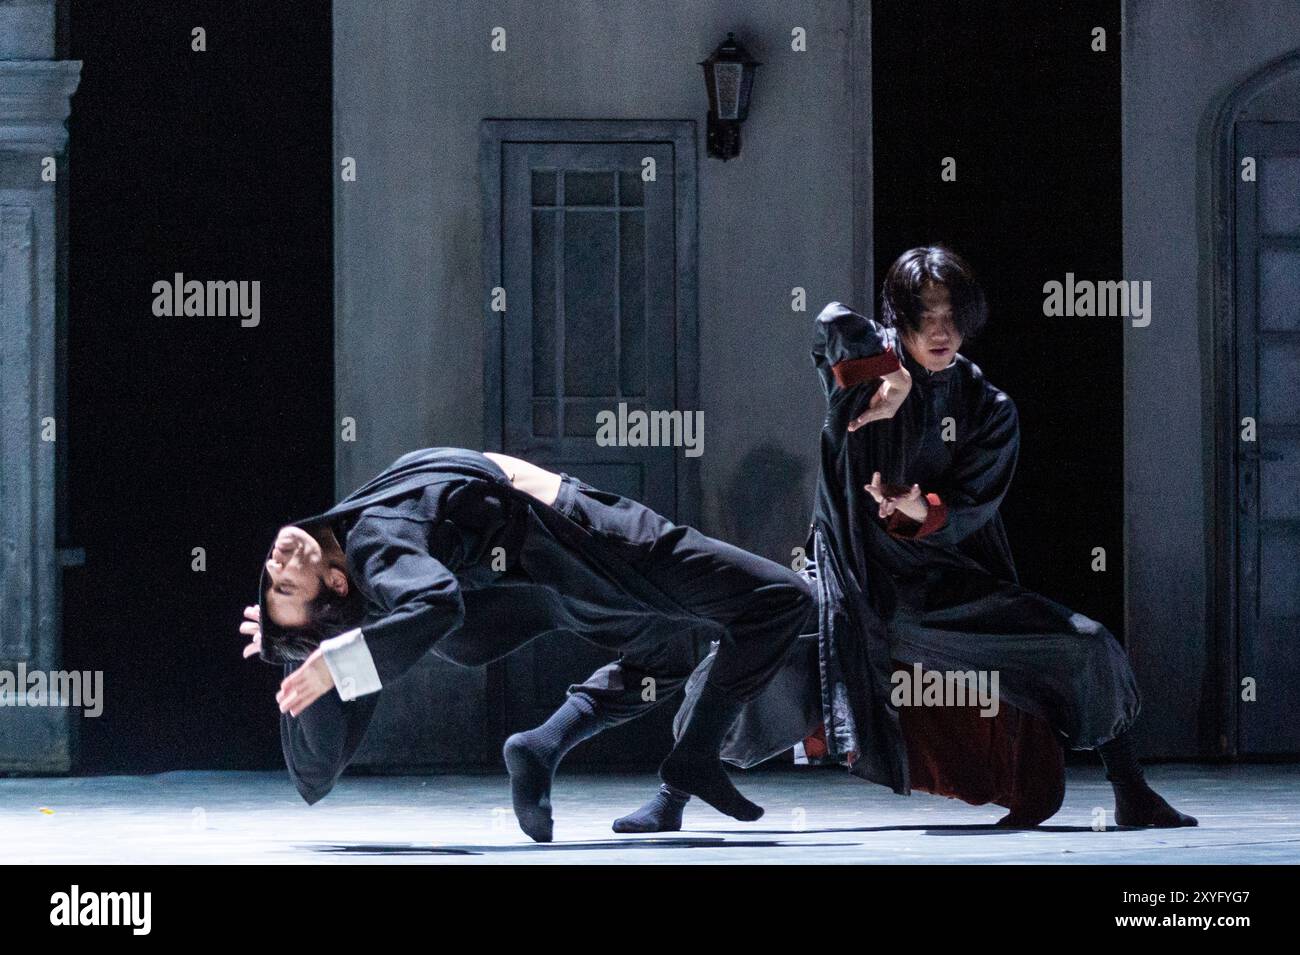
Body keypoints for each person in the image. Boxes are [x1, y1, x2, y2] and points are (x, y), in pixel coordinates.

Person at [614, 245, 1197, 832]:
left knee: (1086, 645)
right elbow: (831, 322)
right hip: (848, 584)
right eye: (925, 316)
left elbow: (975, 504)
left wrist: (923, 508)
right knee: (745, 652)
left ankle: (1132, 791)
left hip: (941, 592)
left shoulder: (988, 408)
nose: (941, 332)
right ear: (900, 320)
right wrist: (889, 371)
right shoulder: (858, 385)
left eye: (951, 316)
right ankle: (672, 797)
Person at [239, 447, 813, 842]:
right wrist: (322, 659)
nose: (274, 564)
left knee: (668, 650)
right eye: (286, 585)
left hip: (548, 578)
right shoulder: (372, 540)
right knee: (782, 598)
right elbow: (435, 603)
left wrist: (306, 644)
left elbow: (402, 612)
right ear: (337, 583)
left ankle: (542, 746)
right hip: (585, 539)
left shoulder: (358, 522)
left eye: (271, 578)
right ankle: (695, 757)